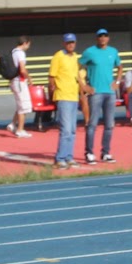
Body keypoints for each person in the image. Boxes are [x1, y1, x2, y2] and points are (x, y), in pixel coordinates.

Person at [79, 28, 122, 163]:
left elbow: (120, 67)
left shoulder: (113, 52)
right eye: (100, 36)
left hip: (110, 93)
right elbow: (77, 67)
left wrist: (118, 81)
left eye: (105, 36)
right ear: (97, 38)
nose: (103, 38)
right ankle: (89, 153)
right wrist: (83, 85)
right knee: (92, 123)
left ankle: (106, 153)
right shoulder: (90, 52)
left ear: (108, 38)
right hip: (95, 92)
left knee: (109, 124)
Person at [48, 33, 82, 168]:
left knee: (73, 130)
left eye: (73, 42)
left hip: (74, 96)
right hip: (63, 95)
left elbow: (77, 77)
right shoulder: (58, 56)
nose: (71, 45)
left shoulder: (74, 57)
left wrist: (82, 92)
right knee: (66, 129)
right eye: (68, 43)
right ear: (64, 43)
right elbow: (51, 76)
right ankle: (60, 158)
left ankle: (69, 156)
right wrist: (52, 94)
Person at [7, 36, 33, 139]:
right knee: (24, 106)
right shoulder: (21, 53)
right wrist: (29, 78)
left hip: (14, 81)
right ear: (25, 43)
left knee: (19, 104)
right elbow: (22, 69)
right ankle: (20, 129)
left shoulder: (13, 52)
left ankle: (13, 124)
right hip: (20, 82)